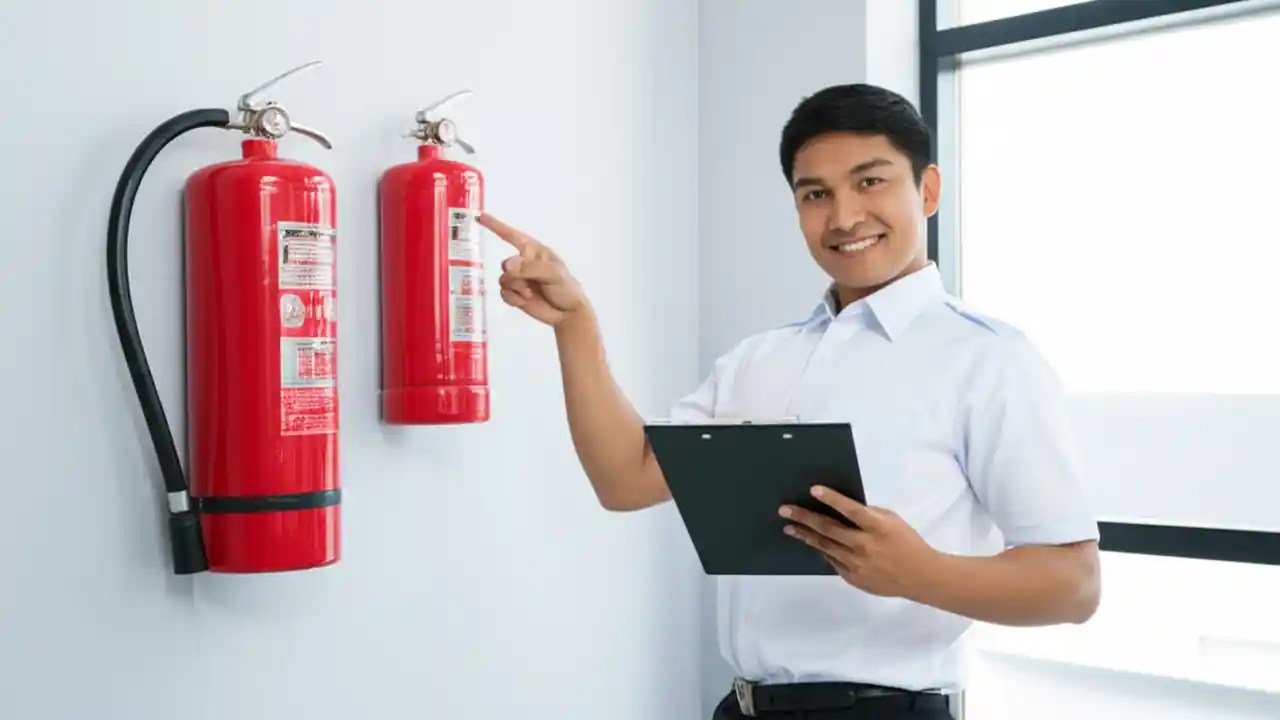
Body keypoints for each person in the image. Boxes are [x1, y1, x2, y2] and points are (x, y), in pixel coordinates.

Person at [478, 83, 1102, 720]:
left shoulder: (991, 359)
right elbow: (624, 479)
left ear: (929, 190)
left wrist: (917, 571)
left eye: (870, 182)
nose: (844, 217)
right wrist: (575, 324)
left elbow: (1074, 587)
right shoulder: (758, 359)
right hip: (741, 706)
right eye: (815, 194)